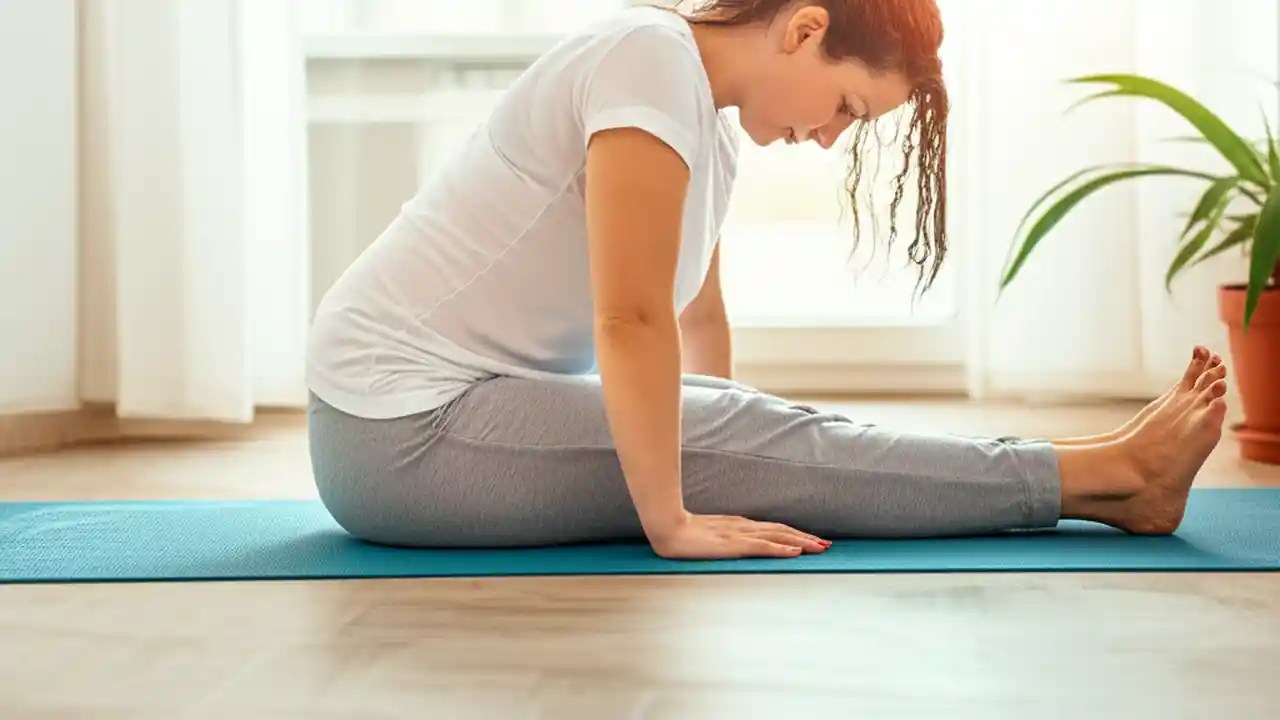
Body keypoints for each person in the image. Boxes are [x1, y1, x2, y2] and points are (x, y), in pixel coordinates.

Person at [305, 0, 1229, 560]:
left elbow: (697, 319)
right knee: (750, 434)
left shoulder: (703, 119)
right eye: (846, 107)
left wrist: (752, 452)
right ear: (805, 29)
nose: (830, 136)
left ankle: (1094, 466)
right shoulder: (647, 62)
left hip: (439, 412)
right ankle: (1105, 478)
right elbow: (630, 320)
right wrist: (672, 518)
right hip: (395, 432)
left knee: (754, 430)